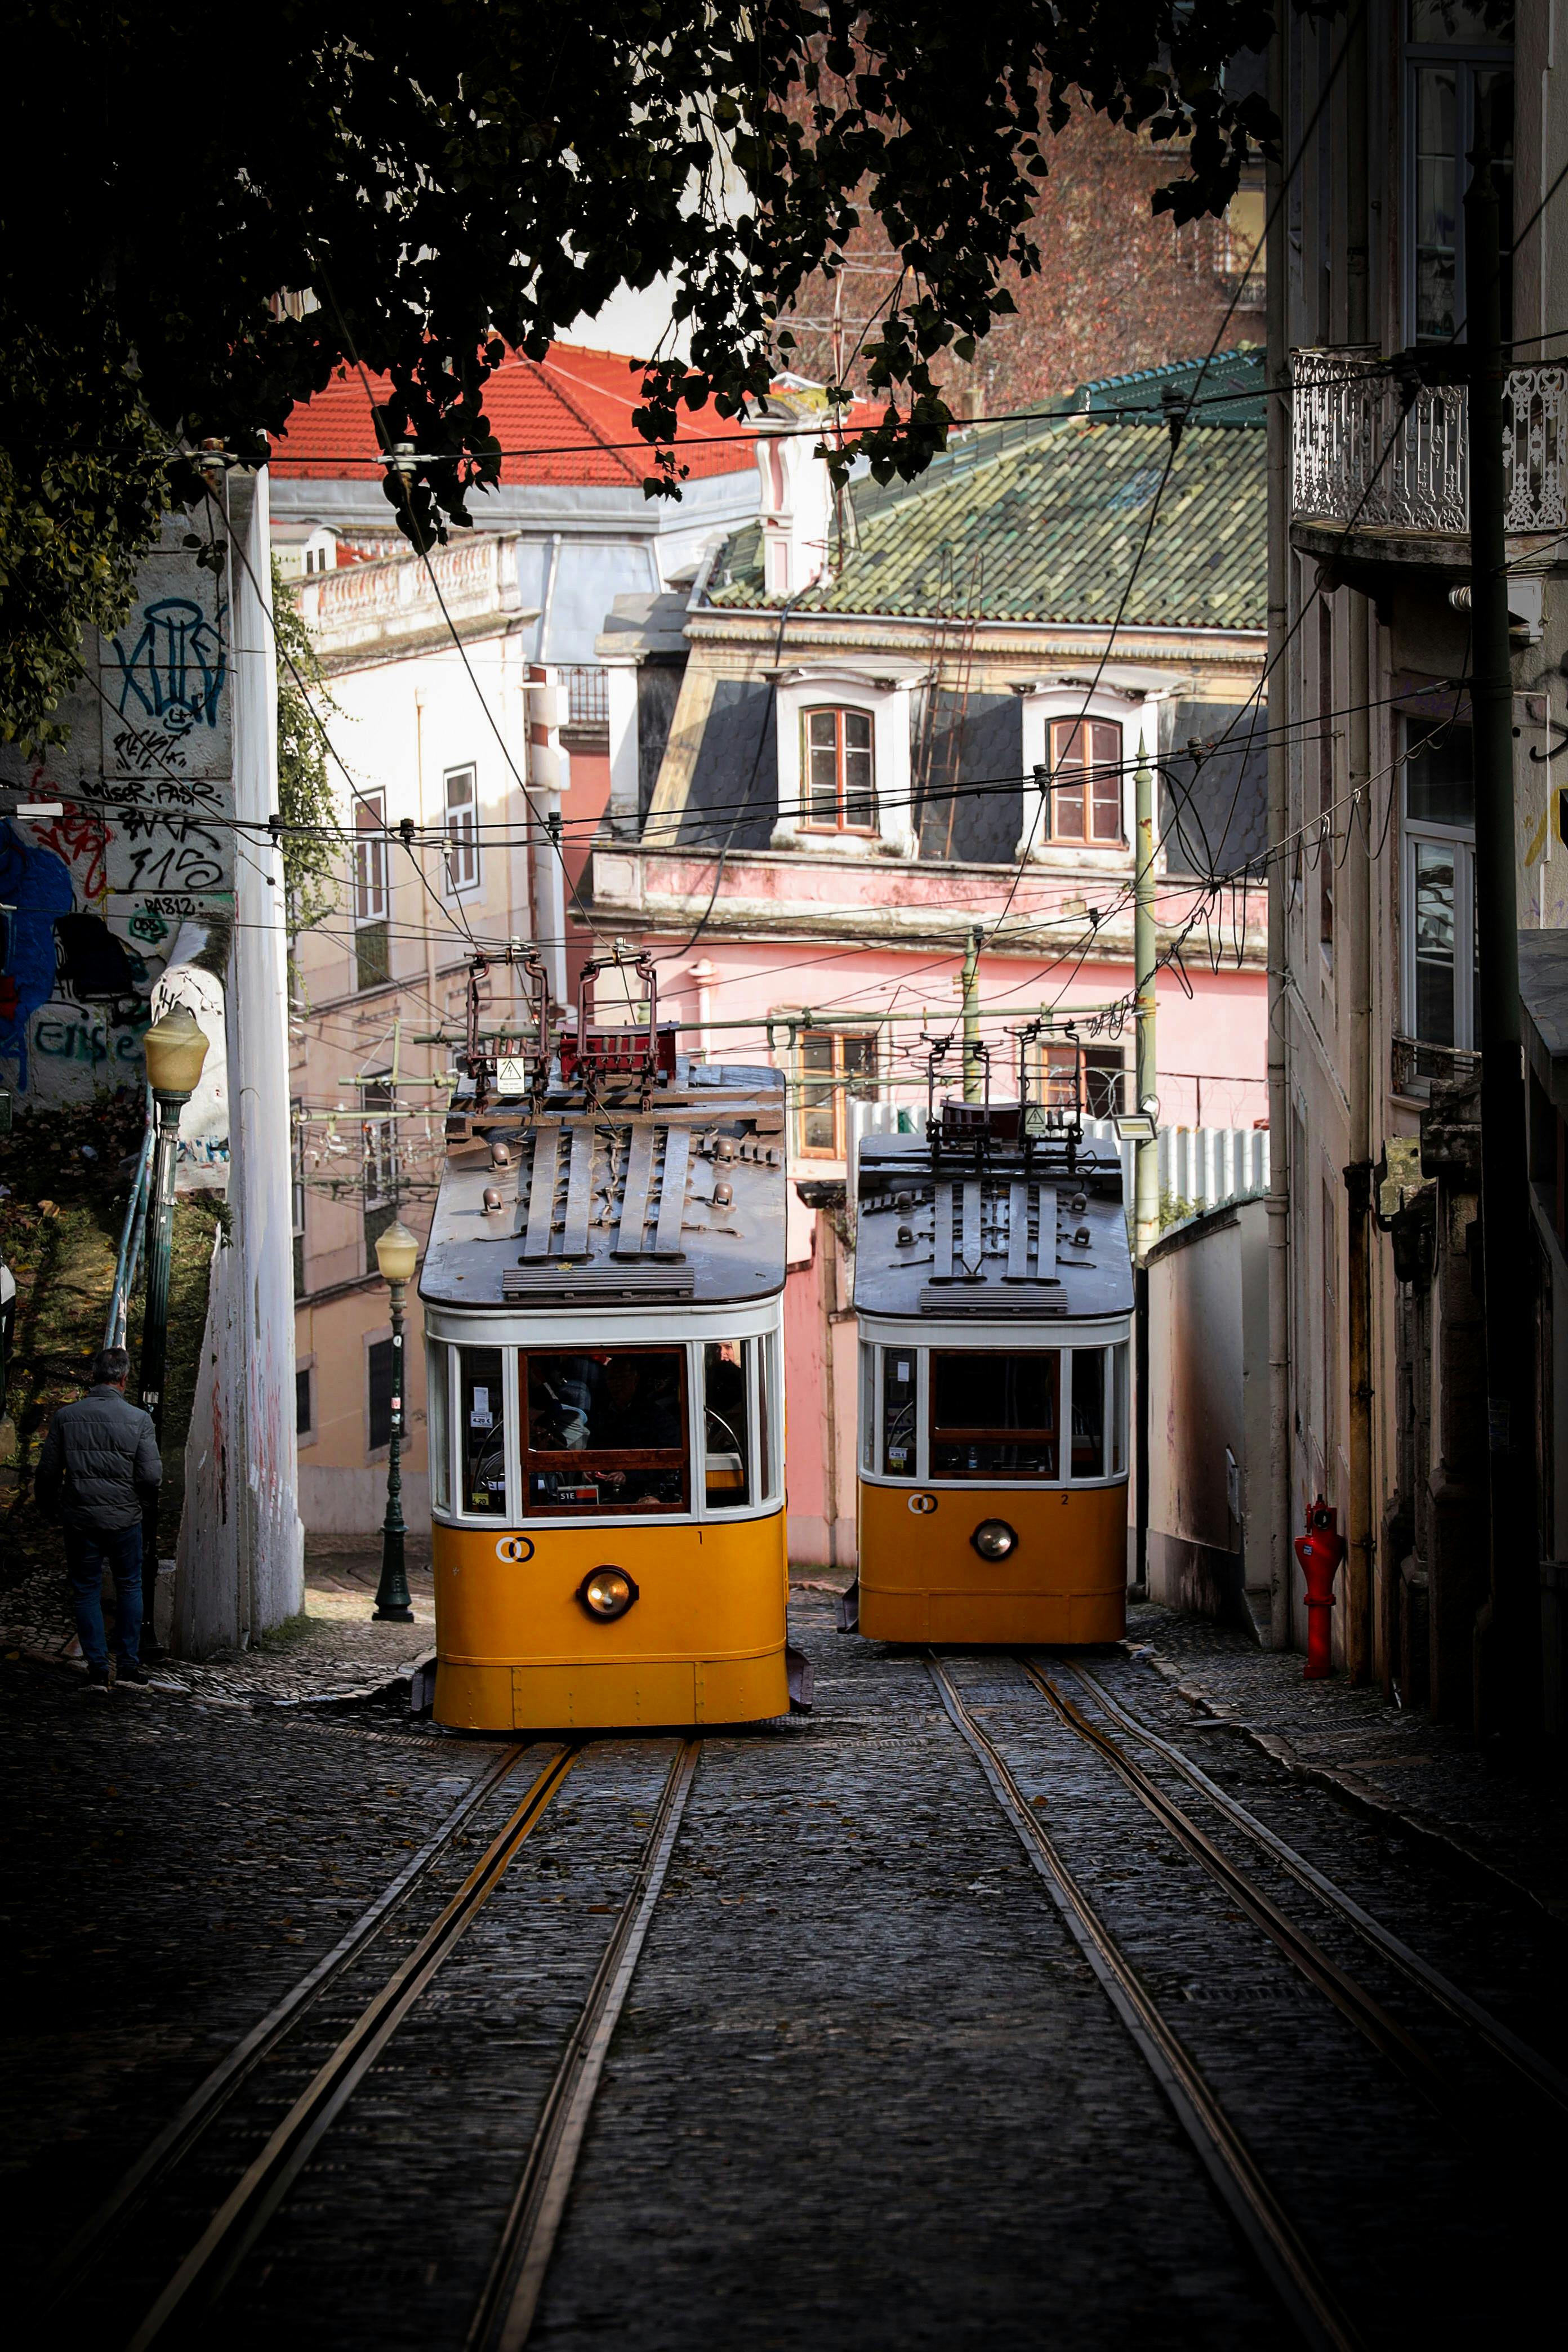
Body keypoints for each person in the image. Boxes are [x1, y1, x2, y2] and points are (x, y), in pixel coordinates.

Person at [35, 1346, 162, 1692]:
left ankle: (96, 1669)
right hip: (124, 1520)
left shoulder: (66, 1417)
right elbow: (151, 1478)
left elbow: (47, 1472)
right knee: (130, 1586)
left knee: (86, 1591)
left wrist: (49, 1508)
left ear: (94, 1376)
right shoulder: (139, 1420)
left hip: (80, 1520)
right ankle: (128, 1667)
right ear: (124, 1378)